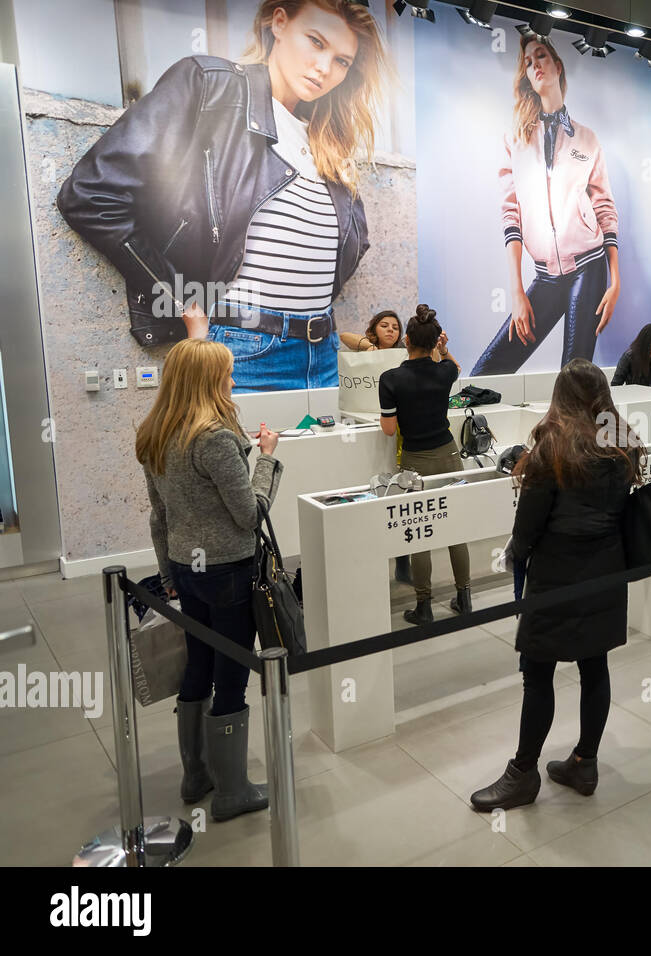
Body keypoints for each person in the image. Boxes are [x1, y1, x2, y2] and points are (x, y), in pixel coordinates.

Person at [58, 0, 392, 392]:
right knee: (241, 456)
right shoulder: (209, 86)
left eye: (342, 62)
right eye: (316, 41)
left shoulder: (328, 139)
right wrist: (183, 302)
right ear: (279, 22)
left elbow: (353, 243)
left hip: (323, 354)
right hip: (242, 350)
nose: (323, 68)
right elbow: (90, 195)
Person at [470, 359, 645, 811]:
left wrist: (516, 557)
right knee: (594, 666)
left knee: (538, 673)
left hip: (557, 574)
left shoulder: (552, 445)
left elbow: (527, 525)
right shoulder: (622, 440)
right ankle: (585, 762)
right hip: (606, 569)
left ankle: (523, 774)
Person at [135, 339, 283, 822]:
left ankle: (196, 774)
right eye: (227, 374)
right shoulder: (215, 438)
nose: (233, 381)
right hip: (227, 570)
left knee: (197, 665)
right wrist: (267, 459)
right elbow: (248, 515)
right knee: (233, 671)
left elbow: (159, 519)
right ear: (207, 380)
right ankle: (232, 791)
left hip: (185, 568)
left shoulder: (156, 434)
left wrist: (166, 575)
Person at [471, 35, 621, 375]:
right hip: (545, 276)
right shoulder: (516, 138)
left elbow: (604, 208)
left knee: (573, 375)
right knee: (487, 372)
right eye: (527, 62)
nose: (535, 64)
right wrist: (517, 293)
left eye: (541, 56)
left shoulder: (587, 138)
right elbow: (511, 214)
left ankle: (569, 429)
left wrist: (616, 280)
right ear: (526, 76)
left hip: (590, 266)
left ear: (557, 65)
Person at [379, 305, 472, 623]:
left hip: (416, 461)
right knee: (455, 528)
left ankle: (424, 605)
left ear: (406, 340)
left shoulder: (390, 379)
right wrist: (444, 351)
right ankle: (464, 597)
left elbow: (389, 429)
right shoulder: (444, 372)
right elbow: (454, 367)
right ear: (435, 342)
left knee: (420, 531)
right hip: (449, 453)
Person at [611, 323, 651, 388]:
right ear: (643, 346)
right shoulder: (629, 356)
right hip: (634, 396)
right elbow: (615, 385)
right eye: (649, 351)